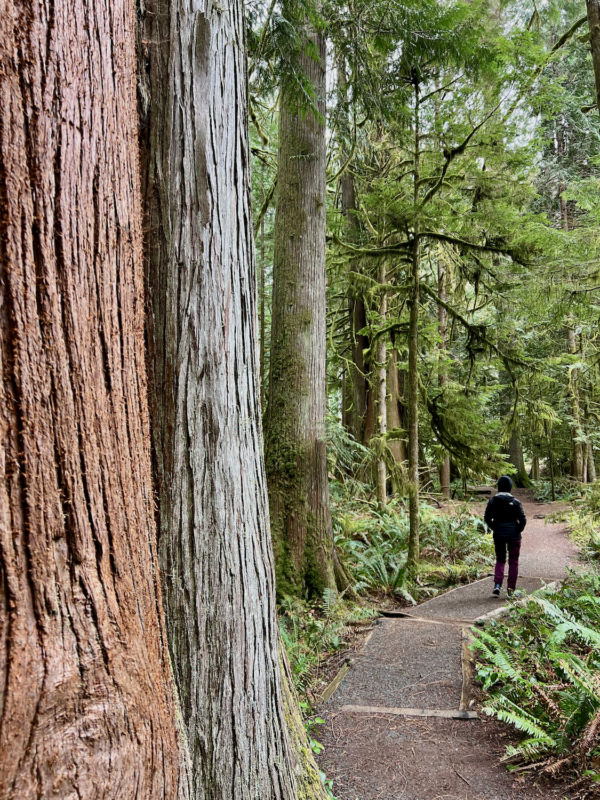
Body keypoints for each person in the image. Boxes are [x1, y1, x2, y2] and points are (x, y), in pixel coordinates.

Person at [484, 475, 526, 597]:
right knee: (513, 562)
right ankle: (511, 590)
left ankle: (497, 585)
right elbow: (523, 519)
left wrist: (495, 528)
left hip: (499, 535)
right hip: (514, 536)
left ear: (499, 486)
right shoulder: (516, 502)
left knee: (500, 559)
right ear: (510, 487)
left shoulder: (492, 501)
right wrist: (518, 530)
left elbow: (487, 518)